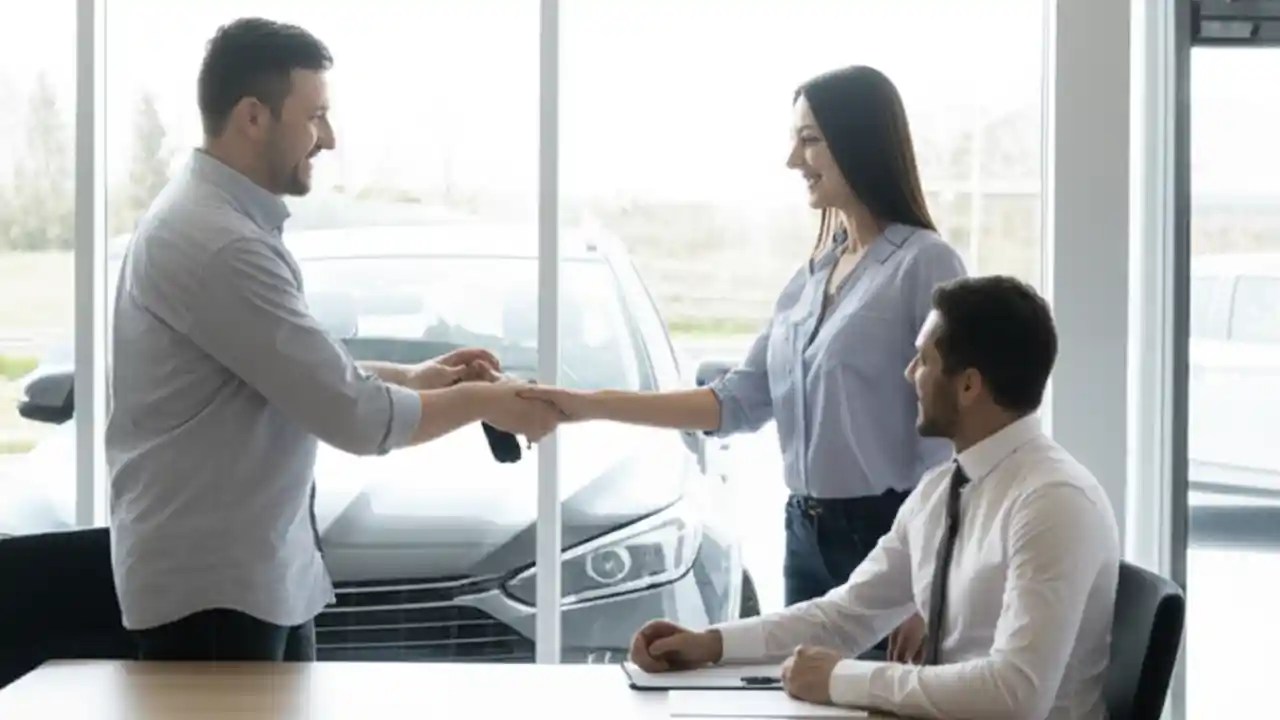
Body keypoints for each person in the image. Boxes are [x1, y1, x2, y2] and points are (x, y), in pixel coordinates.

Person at [105, 17, 561, 662]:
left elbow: (284, 369)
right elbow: (356, 418)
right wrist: (490, 402)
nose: (329, 138)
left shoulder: (221, 224)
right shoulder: (219, 242)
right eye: (315, 116)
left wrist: (414, 378)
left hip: (255, 577)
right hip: (213, 596)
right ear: (254, 117)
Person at [519, 65, 966, 653]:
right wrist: (587, 405)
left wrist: (925, 588)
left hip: (887, 541)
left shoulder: (925, 265)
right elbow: (733, 403)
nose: (793, 160)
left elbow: (951, 448)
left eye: (809, 140)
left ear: (860, 141)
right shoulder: (816, 274)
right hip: (804, 533)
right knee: (807, 700)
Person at [625, 275, 1120, 719]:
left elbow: (1017, 695)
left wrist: (842, 679)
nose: (909, 374)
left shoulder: (1053, 502)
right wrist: (710, 644)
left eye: (924, 360)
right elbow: (846, 615)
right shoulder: (940, 491)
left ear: (968, 385)